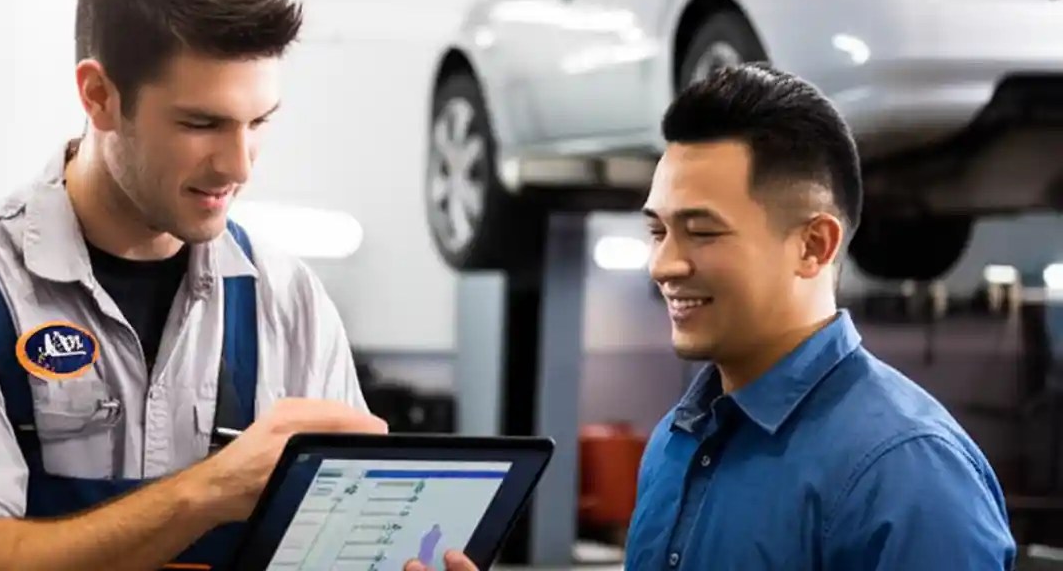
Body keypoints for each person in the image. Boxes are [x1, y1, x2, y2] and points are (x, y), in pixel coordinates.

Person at [0, 0, 385, 571]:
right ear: (99, 96)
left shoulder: (288, 304)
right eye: (200, 123)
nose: (239, 165)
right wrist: (209, 492)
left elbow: (339, 543)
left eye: (259, 122)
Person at [414, 64, 1016, 571]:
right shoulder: (679, 444)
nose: (664, 264)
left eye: (701, 232)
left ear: (814, 245)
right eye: (657, 231)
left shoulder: (906, 473)